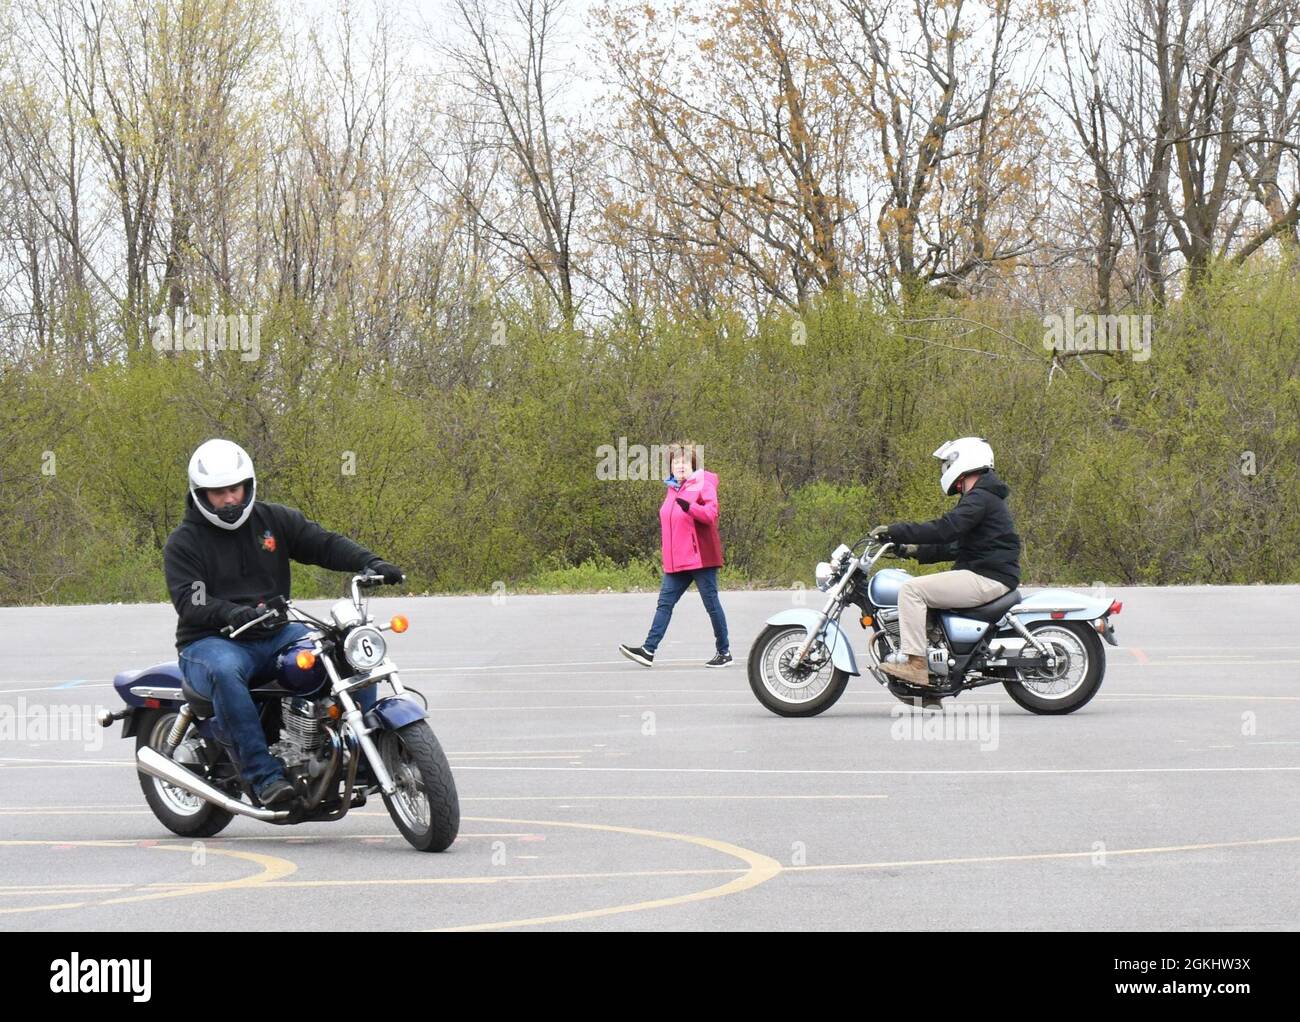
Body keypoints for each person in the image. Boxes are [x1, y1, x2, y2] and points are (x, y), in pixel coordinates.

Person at [163, 438, 405, 807]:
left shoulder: (273, 520)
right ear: (201, 494)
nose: (229, 499)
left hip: (276, 632)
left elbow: (322, 543)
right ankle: (264, 778)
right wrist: (230, 612)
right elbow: (190, 600)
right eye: (218, 493)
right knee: (226, 672)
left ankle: (360, 752)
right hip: (211, 641)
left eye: (234, 489)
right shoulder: (185, 542)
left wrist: (370, 563)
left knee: (343, 650)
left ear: (248, 485)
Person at [870, 437, 1021, 688]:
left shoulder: (981, 497)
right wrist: (911, 550)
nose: (944, 469)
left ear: (965, 461)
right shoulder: (984, 497)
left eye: (947, 463)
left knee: (911, 590)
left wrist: (896, 531)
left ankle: (916, 666)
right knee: (922, 593)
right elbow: (954, 545)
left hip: (987, 576)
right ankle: (931, 671)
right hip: (988, 574)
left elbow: (946, 529)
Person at [619, 441, 731, 668]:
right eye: (675, 462)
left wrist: (690, 507)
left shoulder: (703, 483)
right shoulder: (672, 489)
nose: (680, 466)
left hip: (700, 558)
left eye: (684, 462)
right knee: (664, 604)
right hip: (677, 561)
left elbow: (711, 514)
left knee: (711, 604)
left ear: (693, 465)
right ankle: (648, 650)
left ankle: (724, 651)